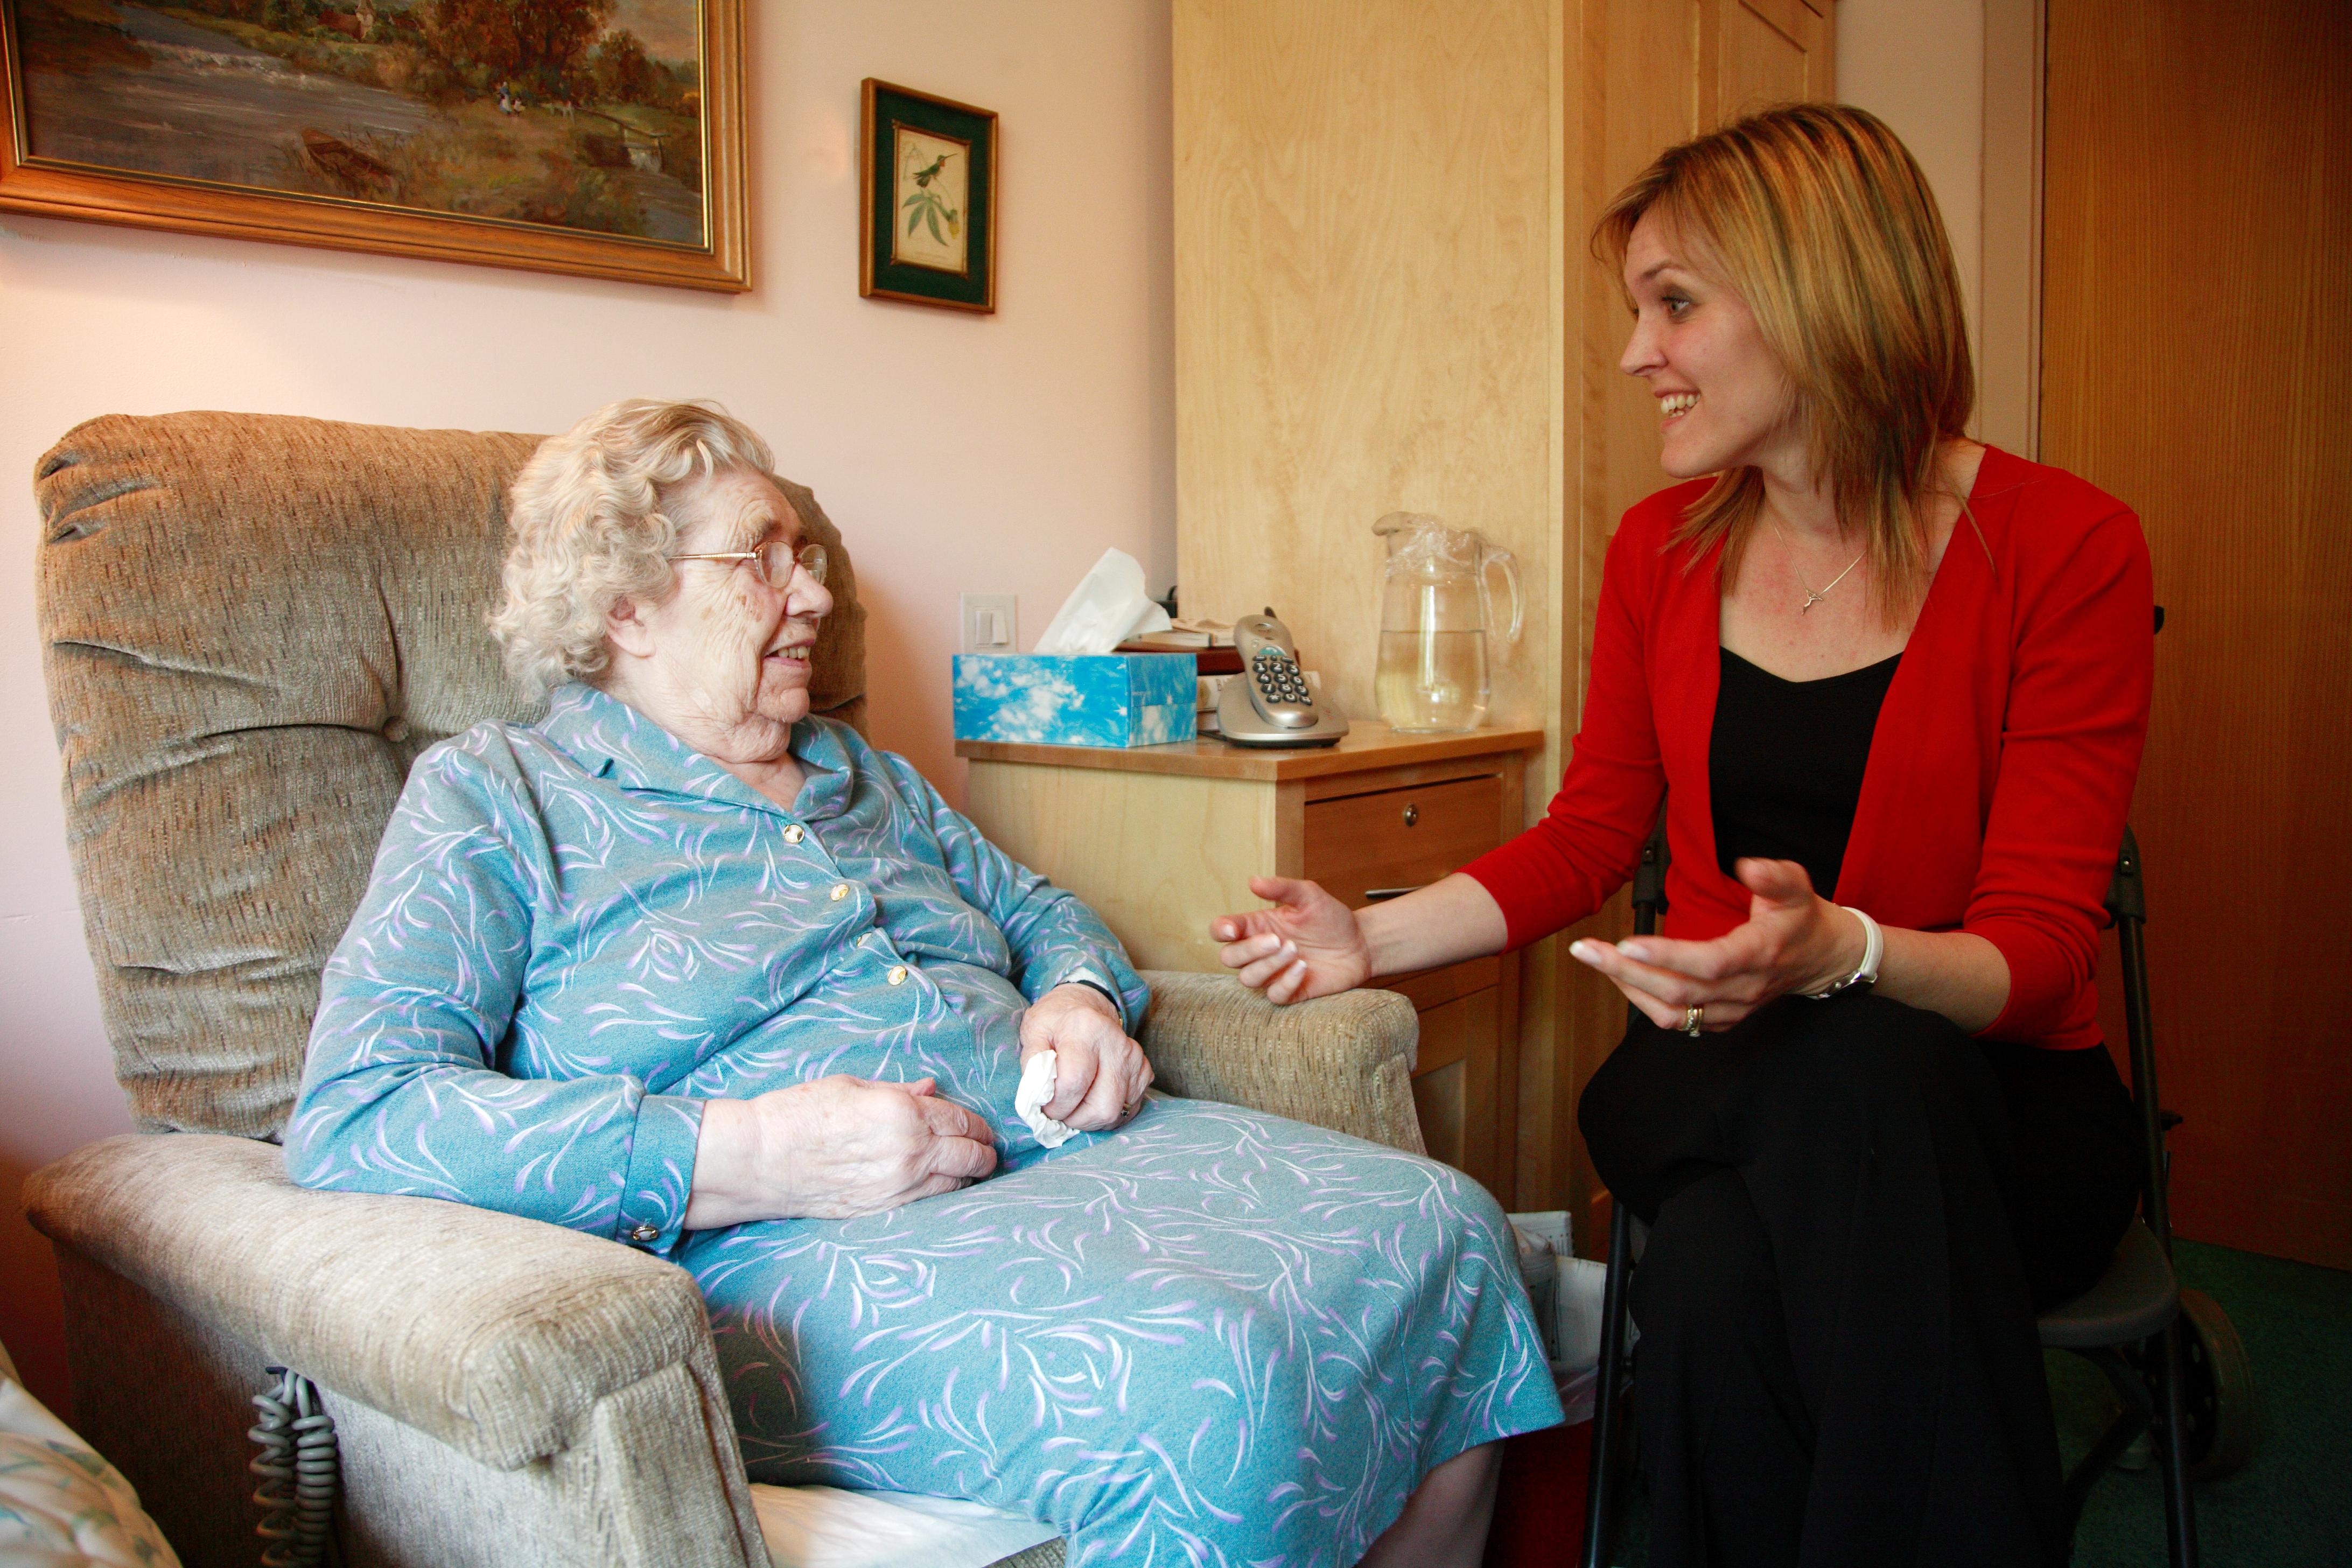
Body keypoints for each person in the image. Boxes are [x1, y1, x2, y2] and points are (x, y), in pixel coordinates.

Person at [285, 398, 1562, 1567]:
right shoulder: (499, 799)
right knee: (1208, 1376)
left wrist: (1078, 996)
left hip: (1071, 1151)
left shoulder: (860, 773)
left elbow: (1041, 911)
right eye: (763, 559)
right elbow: (360, 1108)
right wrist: (750, 1151)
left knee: (1443, 1226)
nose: (815, 596)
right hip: (794, 1240)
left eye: (809, 556)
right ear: (628, 605)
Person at [1214, 104, 2150, 1568]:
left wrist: (1840, 951)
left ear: (1818, 293)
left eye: (1677, 304)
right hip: (1729, 1072)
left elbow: (2035, 959)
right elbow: (1592, 831)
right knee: (1835, 1093)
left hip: (1993, 1113)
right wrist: (1367, 940)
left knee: (1739, 1240)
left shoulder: (2068, 548)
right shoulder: (1662, 551)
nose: (1641, 351)